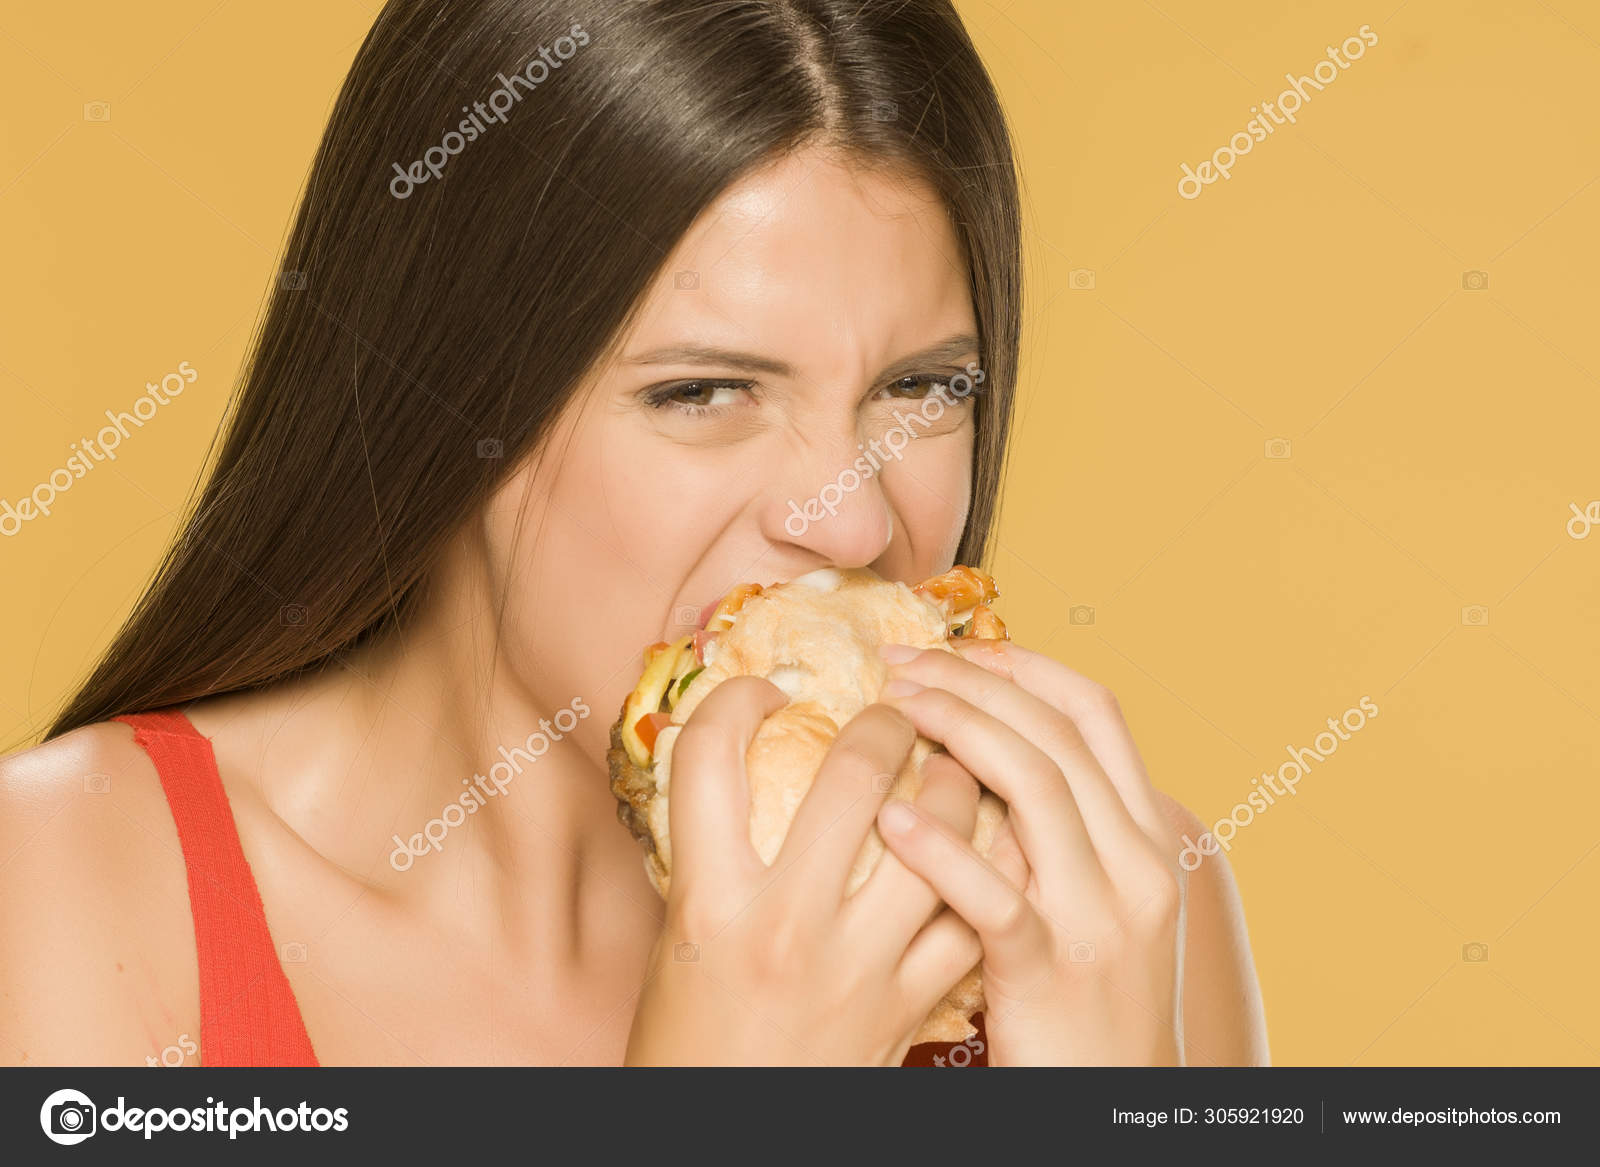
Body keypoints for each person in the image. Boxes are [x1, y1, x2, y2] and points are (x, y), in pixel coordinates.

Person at [0, 0, 1266, 1066]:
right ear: (447, 404)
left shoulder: (1120, 897)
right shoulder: (62, 887)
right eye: (702, 392)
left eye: (920, 389)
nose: (855, 518)